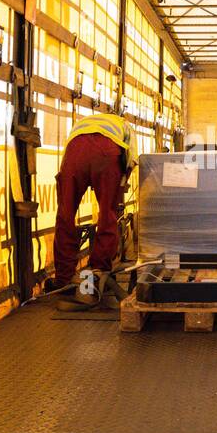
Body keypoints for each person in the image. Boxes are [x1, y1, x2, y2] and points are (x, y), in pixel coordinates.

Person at [50, 111, 138, 303]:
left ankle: (64, 278)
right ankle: (98, 271)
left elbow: (69, 155)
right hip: (107, 152)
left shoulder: (82, 123)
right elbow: (131, 160)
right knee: (107, 214)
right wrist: (120, 187)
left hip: (75, 151)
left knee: (65, 214)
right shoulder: (125, 126)